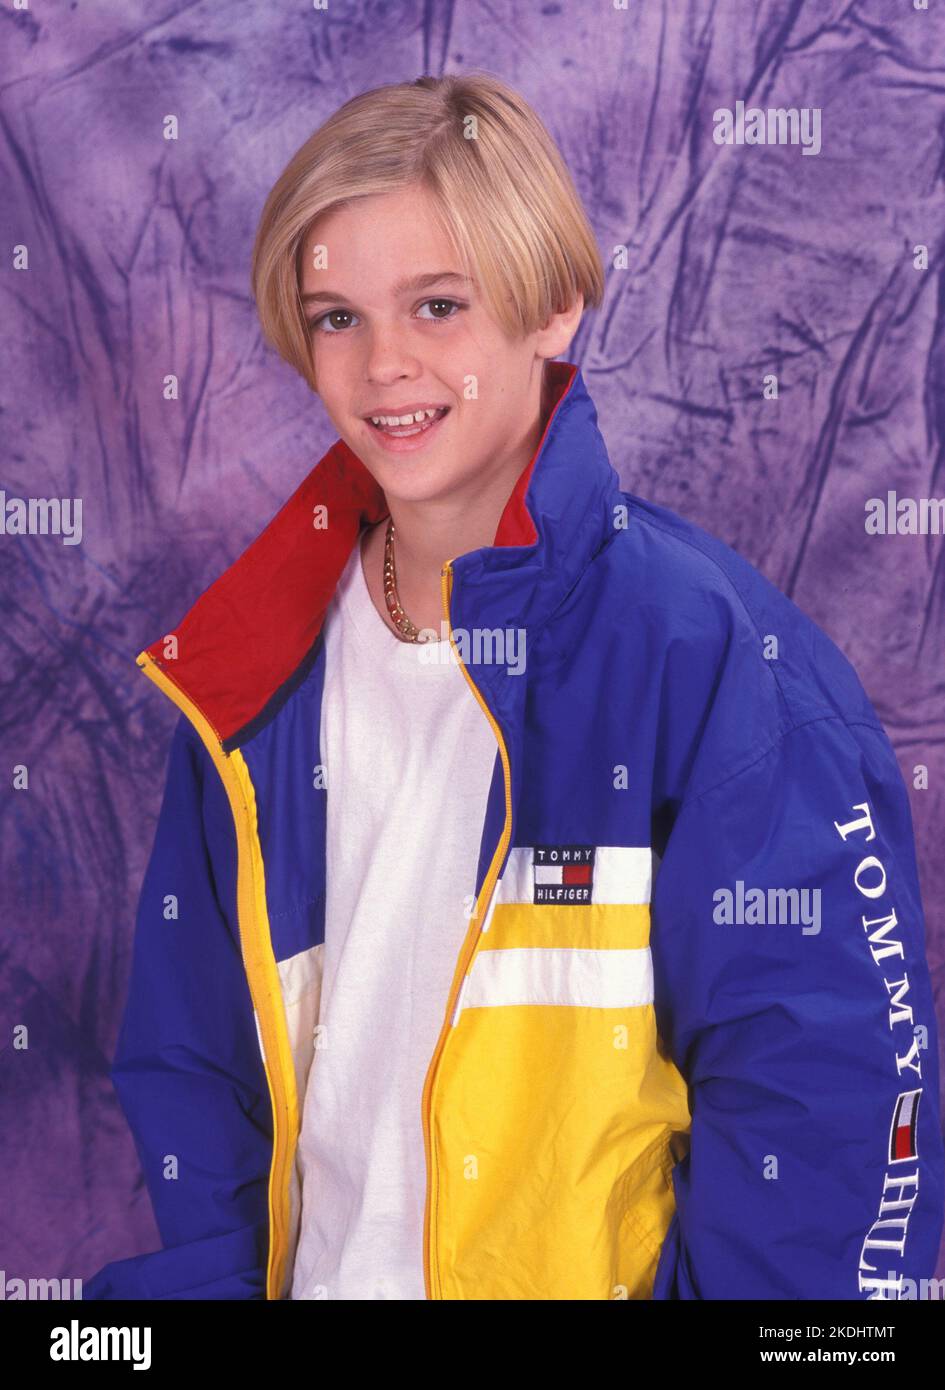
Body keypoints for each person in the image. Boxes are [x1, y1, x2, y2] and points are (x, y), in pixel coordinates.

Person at [84, 72, 943, 1301]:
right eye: (336, 317)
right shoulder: (243, 676)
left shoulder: (717, 669)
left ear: (554, 307)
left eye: (438, 305)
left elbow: (828, 1127)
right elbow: (196, 1077)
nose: (385, 365)